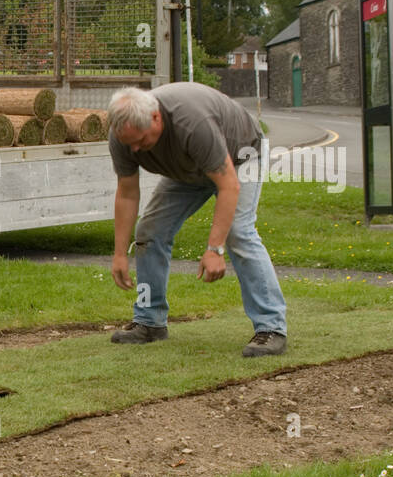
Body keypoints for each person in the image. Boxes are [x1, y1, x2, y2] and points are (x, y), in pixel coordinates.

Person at [106, 83, 288, 357]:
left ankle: (271, 328)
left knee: (239, 232)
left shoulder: (192, 122)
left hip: (240, 156)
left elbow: (229, 186)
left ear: (156, 118)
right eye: (128, 143)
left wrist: (215, 249)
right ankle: (149, 321)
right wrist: (120, 253)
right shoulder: (123, 136)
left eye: (141, 141)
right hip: (188, 169)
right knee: (149, 232)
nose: (134, 150)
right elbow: (128, 194)